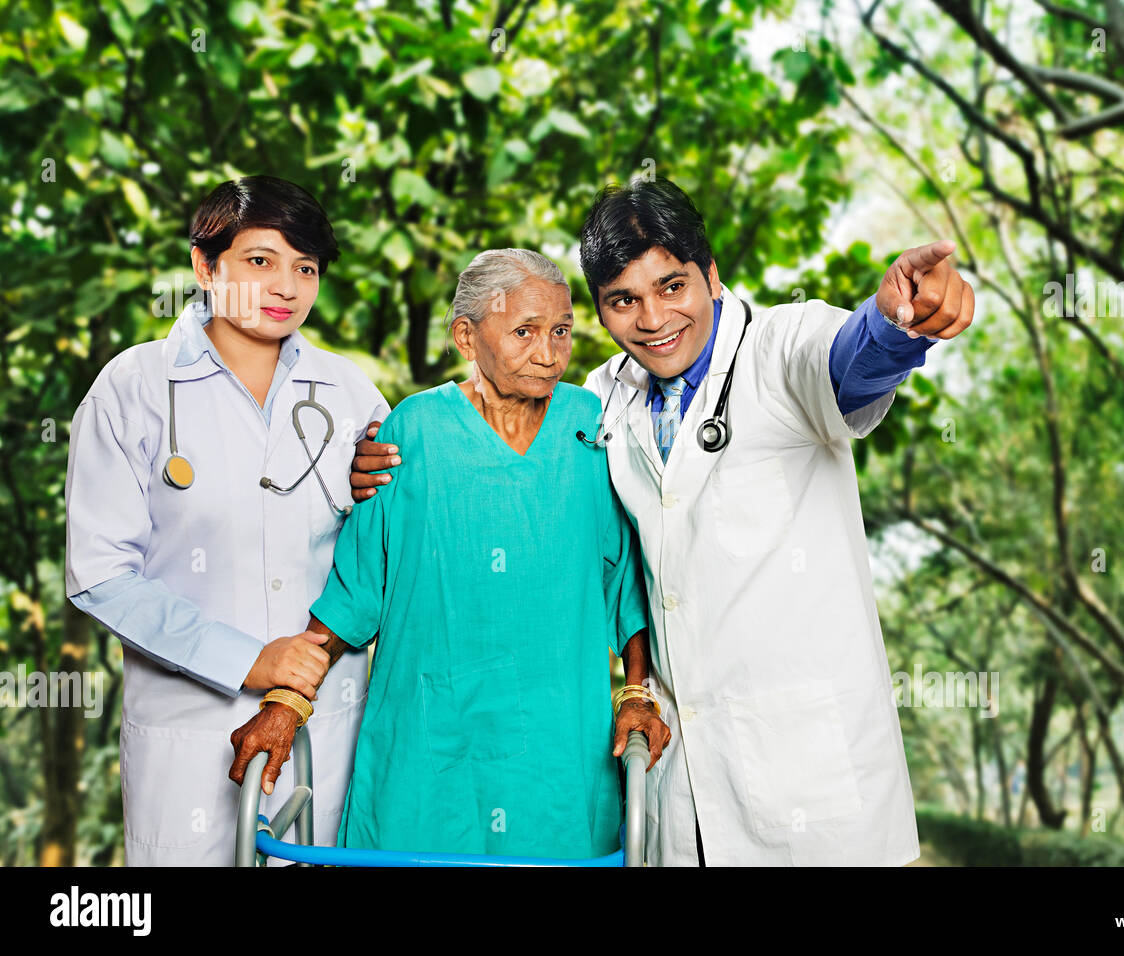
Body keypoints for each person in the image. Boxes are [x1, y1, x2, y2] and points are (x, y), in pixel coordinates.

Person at [352, 179, 976, 865]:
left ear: (711, 276)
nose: (652, 319)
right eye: (623, 300)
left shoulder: (777, 350)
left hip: (806, 778)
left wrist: (896, 325)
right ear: (600, 310)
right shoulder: (598, 400)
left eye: (672, 287)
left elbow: (845, 360)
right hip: (676, 779)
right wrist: (387, 465)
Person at [229, 249, 671, 860]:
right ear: (467, 336)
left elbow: (627, 584)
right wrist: (287, 702)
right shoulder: (412, 430)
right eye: (524, 332)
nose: (549, 353)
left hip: (558, 752)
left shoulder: (592, 427)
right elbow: (357, 588)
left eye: (562, 331)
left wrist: (639, 693)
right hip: (429, 745)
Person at [65, 175, 389, 866]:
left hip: (326, 725)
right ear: (205, 266)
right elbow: (100, 574)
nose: (287, 286)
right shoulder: (133, 389)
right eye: (261, 261)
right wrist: (247, 660)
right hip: (190, 733)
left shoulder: (349, 391)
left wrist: (377, 488)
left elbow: (387, 545)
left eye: (306, 268)